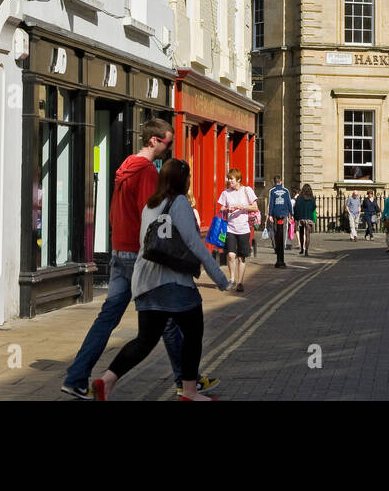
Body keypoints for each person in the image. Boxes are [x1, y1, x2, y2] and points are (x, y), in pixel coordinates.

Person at [62, 119, 216, 399]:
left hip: (119, 251)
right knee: (166, 318)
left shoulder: (124, 167)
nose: (169, 150)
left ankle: (76, 377)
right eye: (168, 143)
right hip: (138, 254)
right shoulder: (146, 172)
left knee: (109, 317)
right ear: (153, 140)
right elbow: (155, 218)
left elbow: (113, 212)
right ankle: (186, 382)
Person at [91, 159, 232, 401]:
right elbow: (193, 242)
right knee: (194, 332)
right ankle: (189, 391)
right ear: (182, 179)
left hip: (145, 281)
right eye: (188, 177)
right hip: (173, 282)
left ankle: (106, 381)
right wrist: (219, 277)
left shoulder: (150, 206)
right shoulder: (180, 203)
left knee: (145, 340)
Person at [219, 172, 257, 292]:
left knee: (241, 258)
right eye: (229, 179)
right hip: (230, 228)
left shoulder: (247, 190)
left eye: (232, 179)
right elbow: (221, 209)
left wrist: (242, 207)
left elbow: (255, 207)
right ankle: (232, 279)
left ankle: (240, 282)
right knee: (230, 255)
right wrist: (227, 209)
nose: (230, 181)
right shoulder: (226, 193)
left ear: (239, 179)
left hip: (244, 228)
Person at [266, 175, 295, 268]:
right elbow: (288, 203)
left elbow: (271, 203)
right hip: (284, 215)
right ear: (281, 182)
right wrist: (291, 214)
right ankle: (281, 257)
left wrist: (270, 215)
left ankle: (279, 257)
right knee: (283, 234)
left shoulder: (272, 191)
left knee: (276, 233)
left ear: (274, 182)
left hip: (275, 215)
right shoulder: (286, 191)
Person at [294, 184, 316, 255]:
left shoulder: (299, 198)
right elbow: (314, 207)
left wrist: (296, 218)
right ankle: (306, 250)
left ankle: (302, 250)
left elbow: (296, 208)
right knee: (307, 235)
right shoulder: (312, 198)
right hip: (309, 218)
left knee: (301, 234)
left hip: (301, 218)